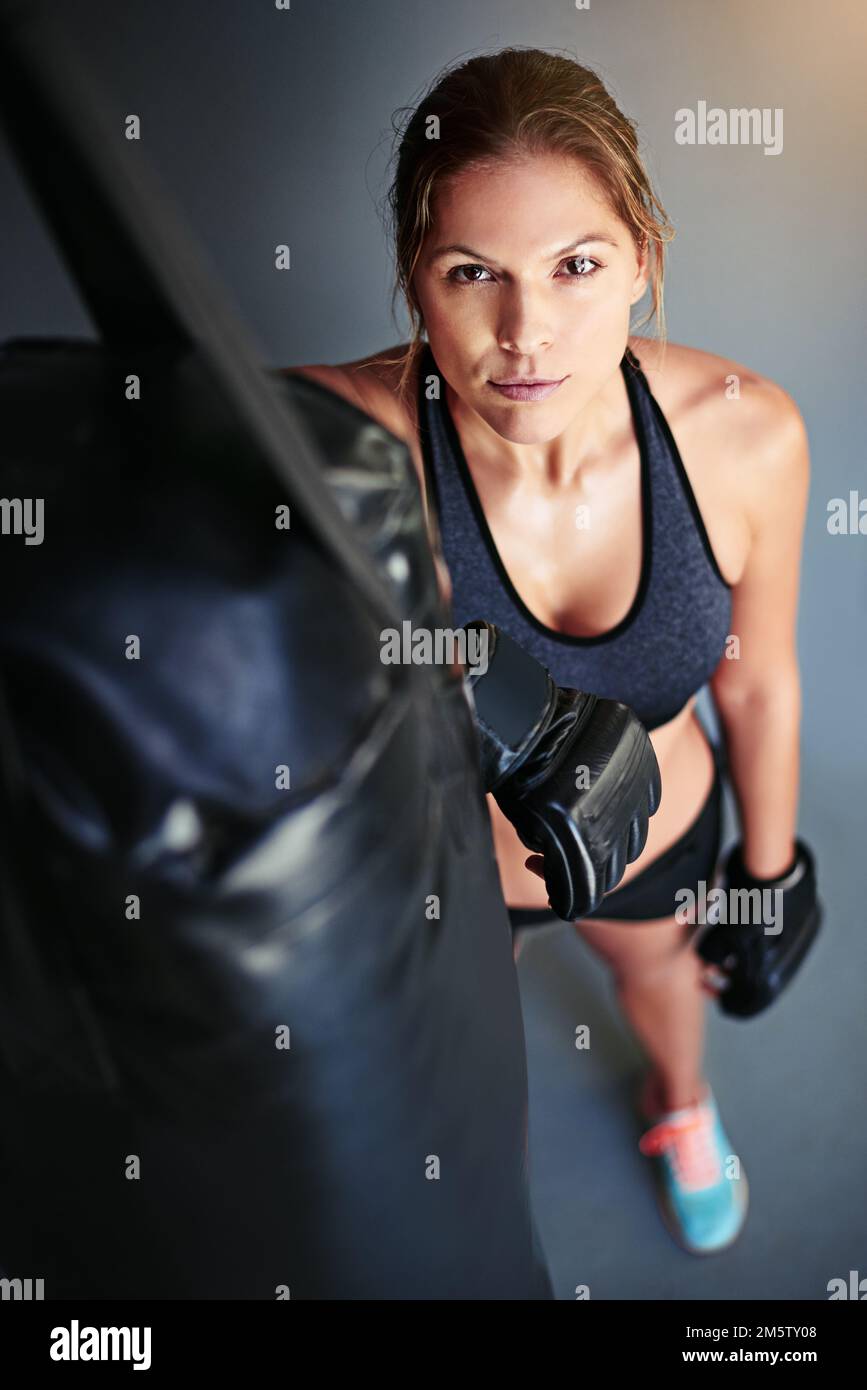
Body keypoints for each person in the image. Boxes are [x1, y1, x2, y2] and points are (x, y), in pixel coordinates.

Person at [285, 47, 814, 1256]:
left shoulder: (746, 437)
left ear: (643, 262)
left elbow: (759, 678)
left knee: (667, 990)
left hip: (660, 831)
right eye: (473, 273)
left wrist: (771, 873)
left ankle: (679, 1105)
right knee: (461, 1073)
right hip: (446, 855)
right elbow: (137, 422)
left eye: (576, 266)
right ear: (418, 285)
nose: (525, 333)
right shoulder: (354, 448)